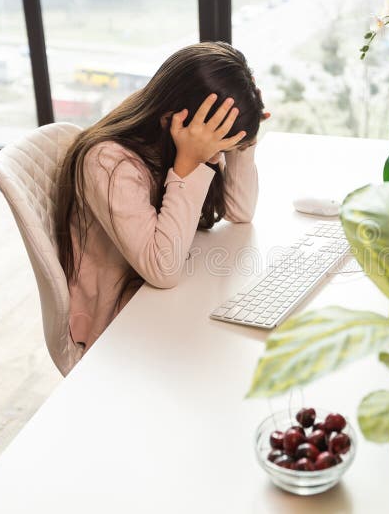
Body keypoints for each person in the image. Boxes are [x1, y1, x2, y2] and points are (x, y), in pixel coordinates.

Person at [54, 41, 268, 356]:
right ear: (175, 120)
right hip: (119, 326)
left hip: (159, 302)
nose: (217, 156)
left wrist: (243, 140)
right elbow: (162, 270)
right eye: (218, 145)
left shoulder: (167, 133)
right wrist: (190, 162)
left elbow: (240, 211)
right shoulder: (109, 161)